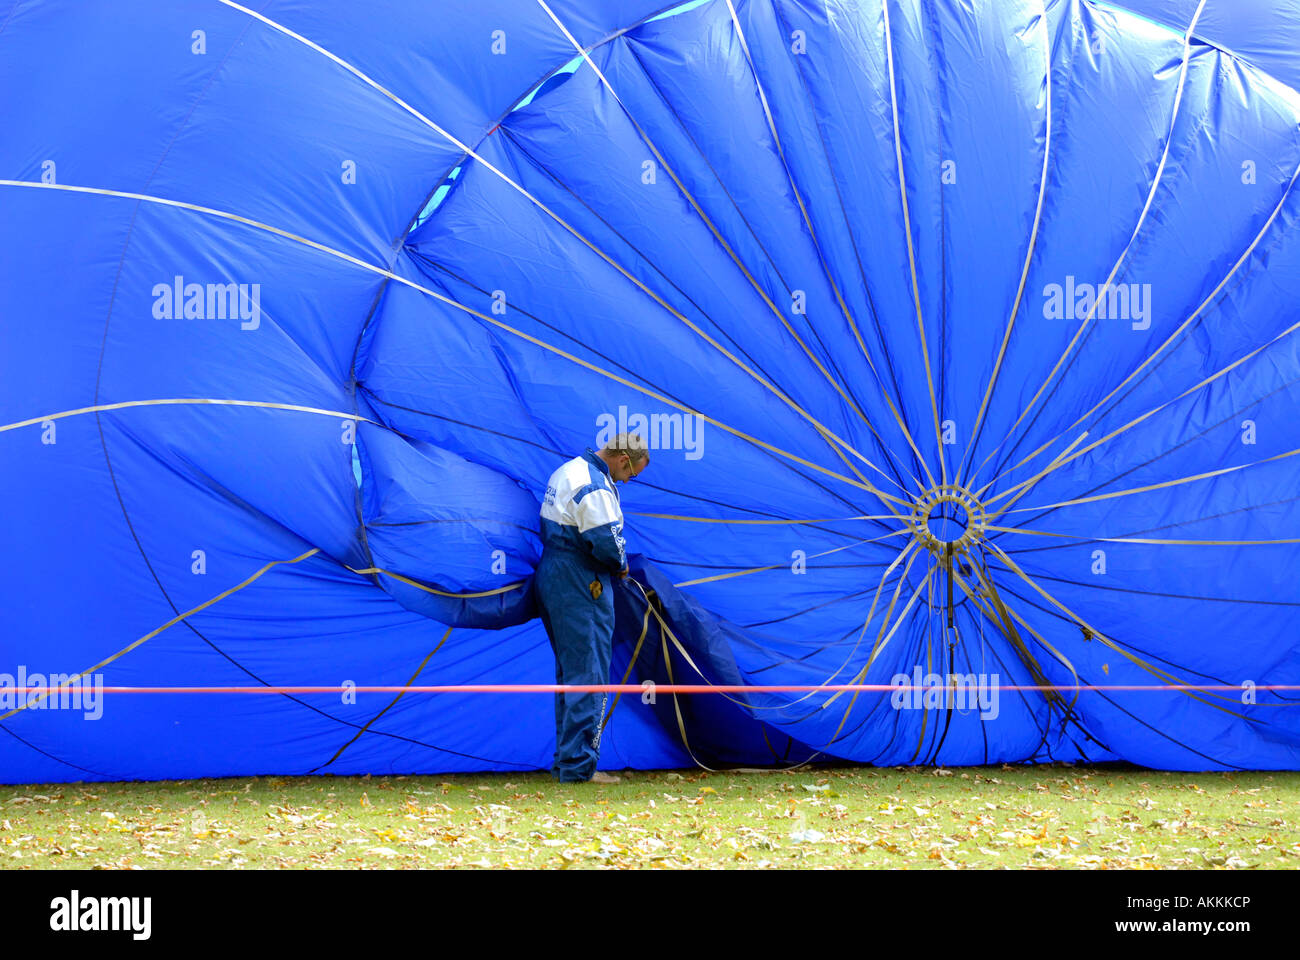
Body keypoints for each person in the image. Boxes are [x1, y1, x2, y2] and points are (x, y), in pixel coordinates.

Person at [537, 433, 650, 783]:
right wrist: (620, 566)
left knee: (570, 675)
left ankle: (566, 761)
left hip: (553, 573)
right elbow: (607, 542)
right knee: (590, 674)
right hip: (582, 580)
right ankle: (579, 768)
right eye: (632, 473)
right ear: (621, 458)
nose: (628, 480)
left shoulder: (567, 470)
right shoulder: (595, 485)